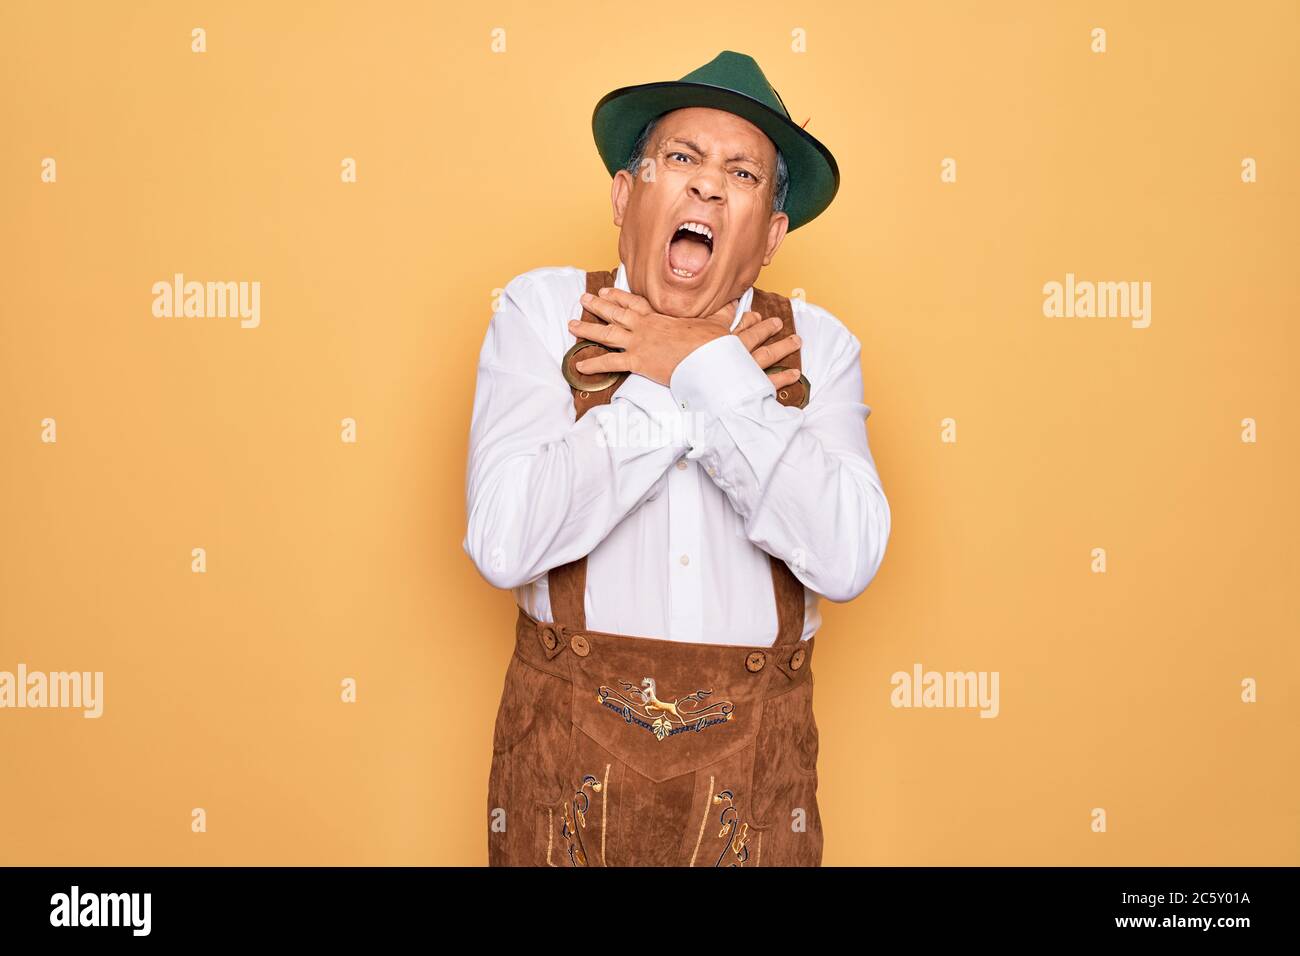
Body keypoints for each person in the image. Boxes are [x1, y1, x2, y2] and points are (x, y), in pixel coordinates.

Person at [464, 51, 890, 866]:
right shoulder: (542, 311)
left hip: (757, 805)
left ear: (768, 236)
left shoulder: (821, 349)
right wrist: (682, 377)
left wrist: (703, 368)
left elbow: (847, 555)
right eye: (682, 158)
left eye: (742, 172)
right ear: (627, 195)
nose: (705, 185)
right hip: (559, 795)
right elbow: (504, 539)